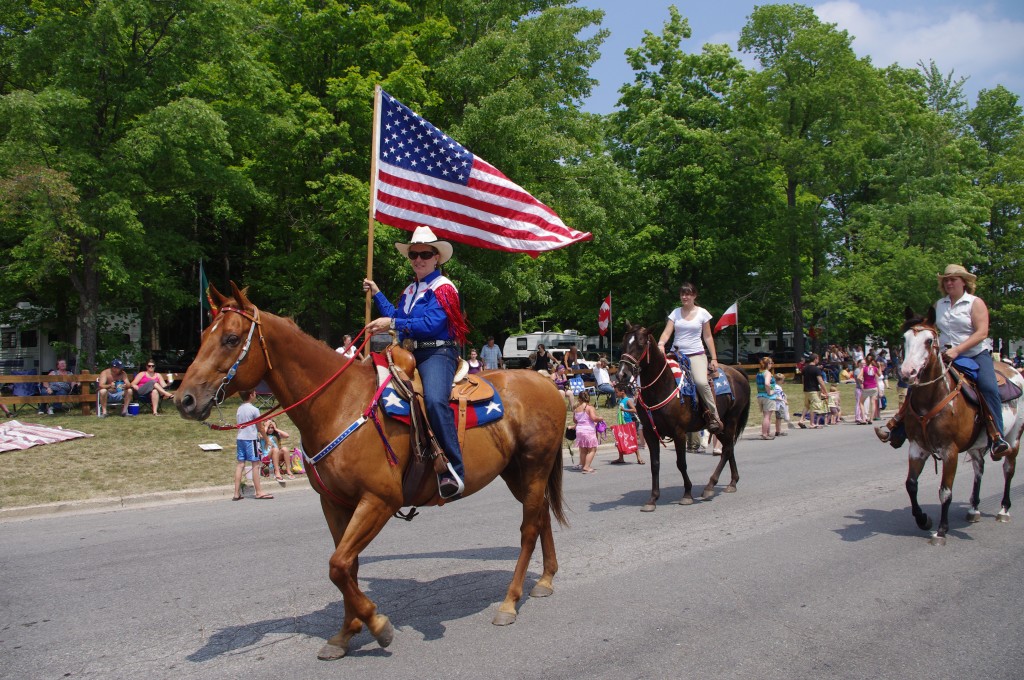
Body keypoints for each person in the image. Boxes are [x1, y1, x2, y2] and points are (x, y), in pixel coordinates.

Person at [363, 226, 470, 499]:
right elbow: (396, 315)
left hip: (437, 354)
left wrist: (394, 322)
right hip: (408, 353)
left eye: (425, 254)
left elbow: (432, 324)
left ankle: (453, 469)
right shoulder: (411, 289)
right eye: (414, 254)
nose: (418, 259)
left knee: (434, 400)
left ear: (437, 258)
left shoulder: (444, 288)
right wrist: (377, 294)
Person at [876, 264, 1011, 457]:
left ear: (964, 282)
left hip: (975, 354)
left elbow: (982, 332)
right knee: (918, 385)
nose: (949, 283)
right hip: (945, 356)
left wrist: (958, 350)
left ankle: (997, 436)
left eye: (953, 279)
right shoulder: (939, 305)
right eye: (946, 280)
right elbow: (928, 326)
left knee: (988, 387)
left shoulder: (974, 303)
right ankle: (898, 428)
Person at [657, 282, 723, 433]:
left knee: (701, 382)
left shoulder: (702, 313)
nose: (684, 297)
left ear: (694, 295)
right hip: (676, 354)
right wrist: (661, 344)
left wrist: (714, 358)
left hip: (696, 354)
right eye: (682, 294)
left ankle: (713, 415)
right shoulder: (675, 313)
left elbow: (708, 337)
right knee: (661, 378)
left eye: (688, 294)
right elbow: (667, 332)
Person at [234, 390, 273, 500]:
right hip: (250, 439)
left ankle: (236, 493)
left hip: (240, 438)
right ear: (251, 395)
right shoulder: (254, 410)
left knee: (240, 464)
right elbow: (260, 427)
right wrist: (266, 439)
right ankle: (259, 492)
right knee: (255, 464)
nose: (255, 394)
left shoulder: (240, 408)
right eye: (254, 393)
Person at [612, 384, 645, 463]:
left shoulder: (628, 400)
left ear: (622, 392)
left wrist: (624, 410)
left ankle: (639, 458)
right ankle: (621, 458)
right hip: (621, 423)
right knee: (620, 440)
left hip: (628, 423)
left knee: (632, 439)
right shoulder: (620, 400)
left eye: (616, 392)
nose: (615, 394)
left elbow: (634, 410)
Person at [571, 391, 603, 473]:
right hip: (588, 430)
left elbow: (575, 420)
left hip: (579, 430)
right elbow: (593, 418)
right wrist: (600, 418)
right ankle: (587, 466)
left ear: (579, 398)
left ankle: (583, 464)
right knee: (592, 449)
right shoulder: (589, 407)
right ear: (588, 397)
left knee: (583, 449)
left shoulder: (576, 408)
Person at [797, 353, 828, 429]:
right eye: (818, 359)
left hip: (806, 390)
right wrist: (825, 391)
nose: (818, 360)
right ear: (815, 359)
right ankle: (812, 423)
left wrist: (805, 388)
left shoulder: (804, 368)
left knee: (807, 406)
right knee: (814, 406)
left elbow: (803, 380)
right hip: (813, 390)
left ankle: (801, 420)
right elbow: (820, 381)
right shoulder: (816, 369)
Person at [261, 418, 292, 482]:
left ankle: (288, 470)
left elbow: (287, 435)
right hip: (267, 458)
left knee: (285, 449)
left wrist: (276, 429)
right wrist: (266, 426)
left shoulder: (276, 435)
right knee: (275, 449)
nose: (270, 430)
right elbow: (261, 435)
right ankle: (277, 472)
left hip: (277, 457)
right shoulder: (262, 436)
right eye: (269, 428)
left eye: (272, 428)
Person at [756, 357, 778, 439]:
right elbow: (767, 383)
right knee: (767, 416)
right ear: (768, 364)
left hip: (760, 395)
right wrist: (770, 392)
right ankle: (765, 433)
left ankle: (767, 432)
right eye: (771, 363)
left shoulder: (759, 373)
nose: (772, 364)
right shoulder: (767, 373)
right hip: (768, 396)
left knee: (766, 415)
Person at [858, 354, 880, 425]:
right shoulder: (875, 368)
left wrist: (861, 382)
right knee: (873, 402)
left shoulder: (864, 369)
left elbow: (858, 377)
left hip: (866, 387)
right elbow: (879, 374)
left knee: (861, 402)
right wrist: (878, 367)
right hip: (874, 387)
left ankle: (864, 419)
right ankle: (871, 419)